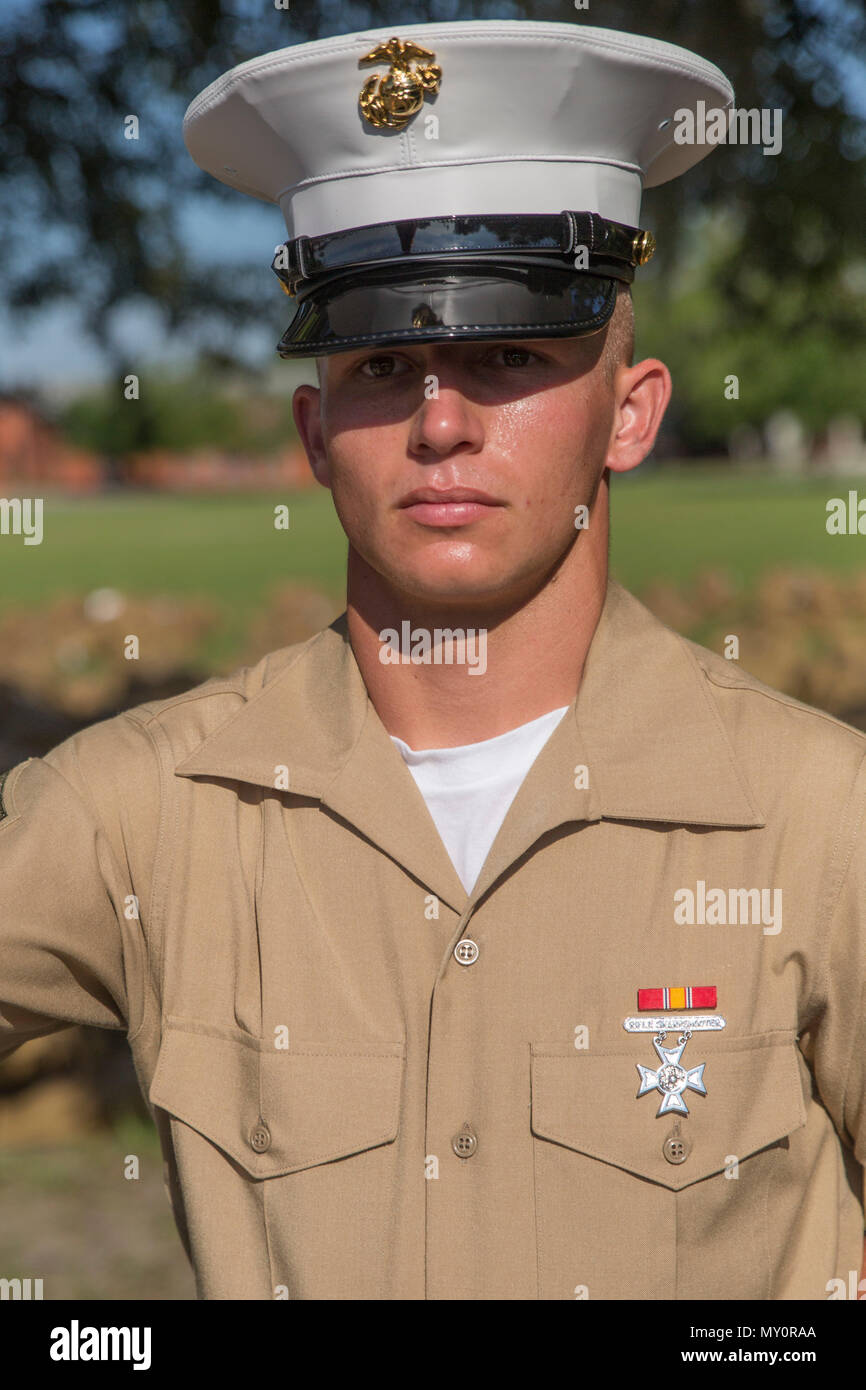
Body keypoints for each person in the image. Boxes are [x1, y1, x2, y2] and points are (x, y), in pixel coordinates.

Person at [1, 20, 864, 1301]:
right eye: (381, 363)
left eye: (508, 355)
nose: (440, 422)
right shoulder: (141, 813)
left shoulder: (818, 815)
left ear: (630, 414)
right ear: (312, 428)